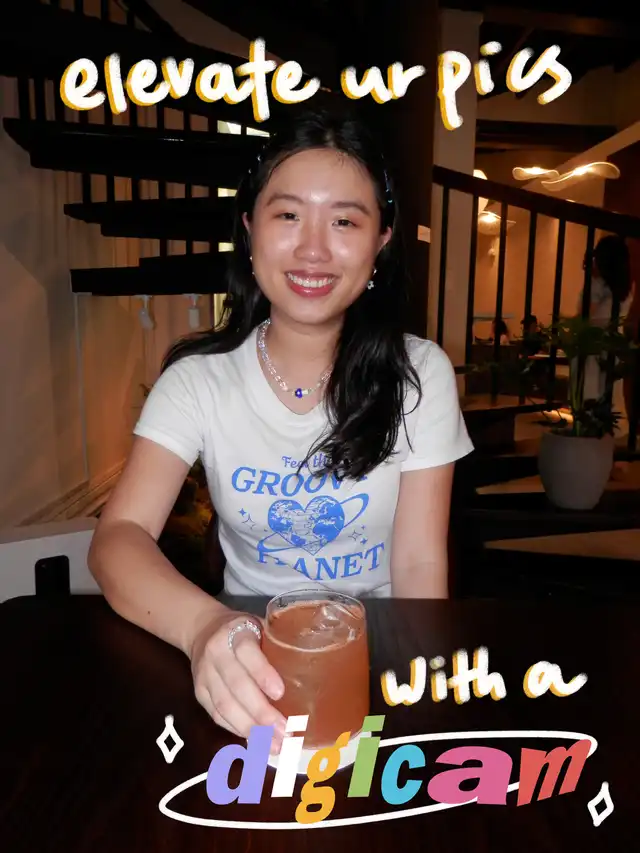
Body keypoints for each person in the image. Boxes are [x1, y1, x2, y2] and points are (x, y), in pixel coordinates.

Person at [87, 107, 474, 749]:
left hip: (376, 646)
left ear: (381, 240)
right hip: (243, 649)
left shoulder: (420, 373)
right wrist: (204, 628)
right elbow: (118, 537)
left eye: (345, 221)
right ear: (249, 229)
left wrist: (421, 690)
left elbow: (417, 561)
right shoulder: (198, 379)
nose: (313, 249)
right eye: (288, 215)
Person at [578, 234, 633, 401]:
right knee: (609, 399)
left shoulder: (597, 285)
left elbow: (585, 316)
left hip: (595, 350)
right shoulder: (626, 289)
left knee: (590, 398)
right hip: (616, 352)